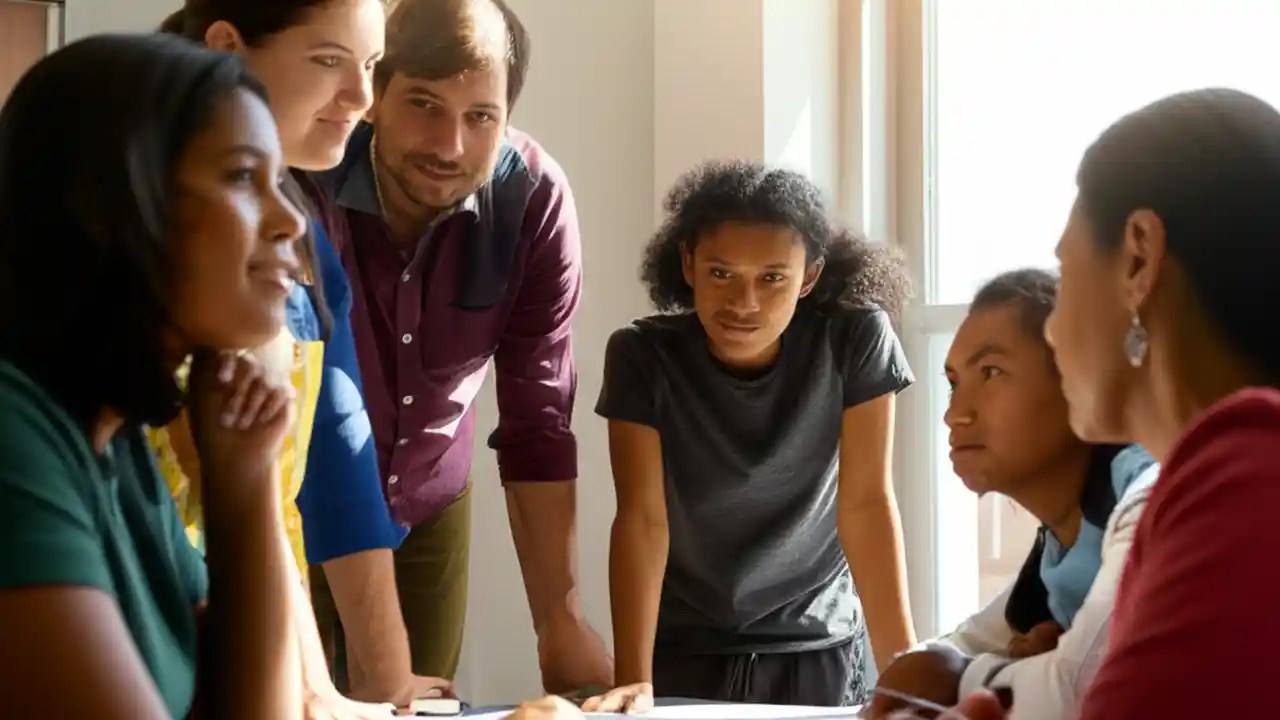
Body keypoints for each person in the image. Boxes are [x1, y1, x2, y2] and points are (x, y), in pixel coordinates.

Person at [895, 87, 1280, 719]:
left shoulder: (1239, 476)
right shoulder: (1199, 490)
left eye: (1066, 273)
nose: (1053, 329)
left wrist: (973, 685)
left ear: (1138, 257)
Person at [306, 0, 612, 692]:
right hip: (294, 495)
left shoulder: (535, 202)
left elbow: (539, 421)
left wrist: (560, 621)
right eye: (423, 104)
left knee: (423, 707)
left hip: (429, 502)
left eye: (480, 117)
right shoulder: (309, 176)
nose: (449, 146)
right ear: (373, 95)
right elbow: (321, 405)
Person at [0, 33, 304, 718]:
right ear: (108, 204)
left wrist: (245, 481)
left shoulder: (117, 439)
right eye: (240, 177)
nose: (291, 220)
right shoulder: (13, 434)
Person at [159, 1, 452, 711]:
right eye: (329, 60)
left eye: (372, 66)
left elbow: (335, 463)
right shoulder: (156, 232)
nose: (362, 98)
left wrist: (370, 690)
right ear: (227, 46)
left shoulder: (302, 231)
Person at [584, 160, 916, 712]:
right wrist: (632, 681)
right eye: (721, 274)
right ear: (688, 263)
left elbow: (866, 504)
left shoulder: (855, 337)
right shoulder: (642, 355)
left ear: (808, 277)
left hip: (818, 645)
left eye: (772, 278)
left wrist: (907, 677)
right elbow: (642, 519)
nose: (744, 303)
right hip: (684, 648)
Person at [868, 269, 1157, 719]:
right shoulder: (1057, 552)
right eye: (953, 383)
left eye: (992, 371)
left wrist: (964, 675)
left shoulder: (1149, 499)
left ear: (1079, 380)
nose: (954, 415)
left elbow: (1079, 686)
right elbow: (930, 660)